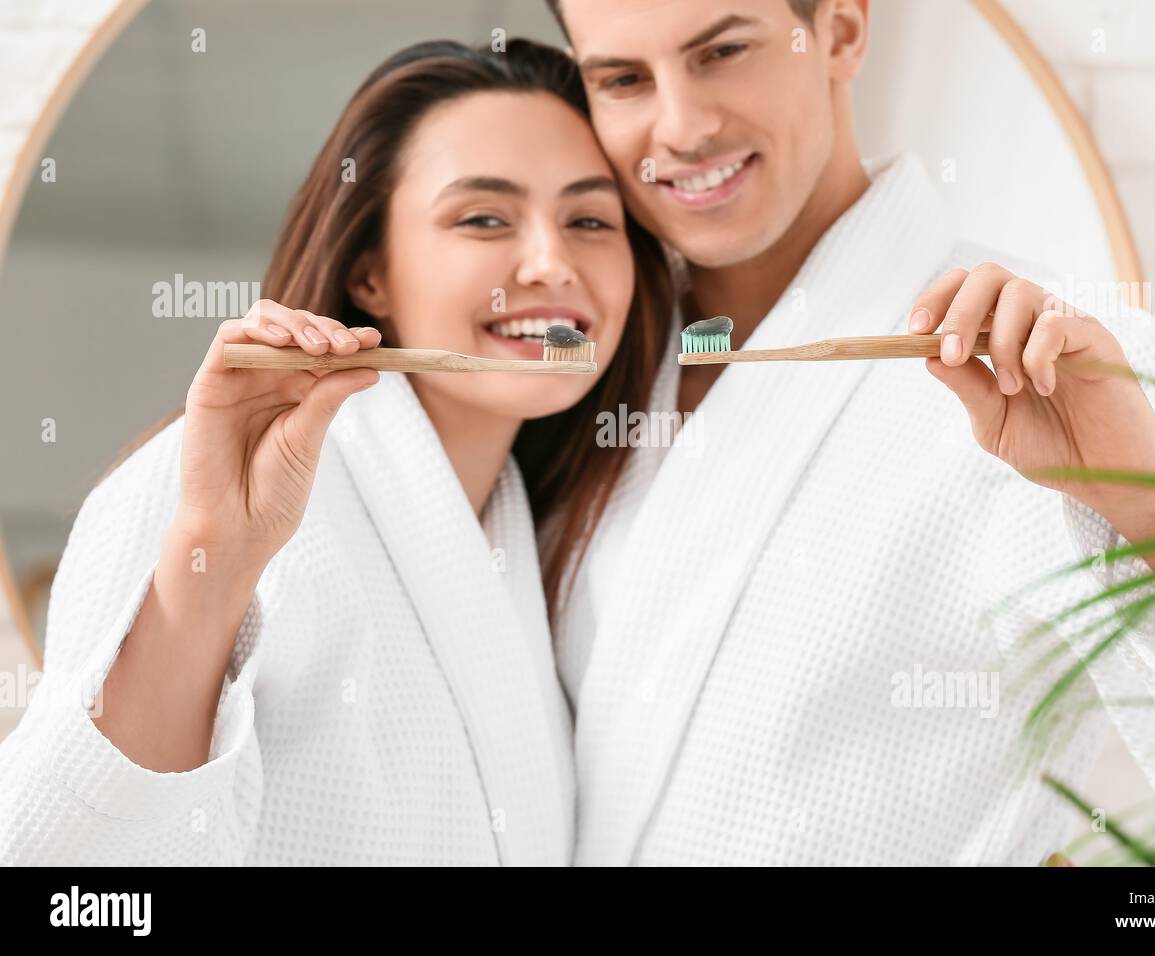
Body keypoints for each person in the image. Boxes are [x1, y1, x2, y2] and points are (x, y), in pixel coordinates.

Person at [543, 0, 1155, 864]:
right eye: (624, 79)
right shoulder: (605, 376)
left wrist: (1144, 497)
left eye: (723, 51)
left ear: (843, 30)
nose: (679, 127)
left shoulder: (1063, 365)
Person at [0, 38, 671, 865]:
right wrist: (213, 555)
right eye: (484, 217)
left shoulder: (527, 549)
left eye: (591, 219)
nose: (551, 261)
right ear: (369, 275)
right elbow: (71, 874)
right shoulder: (208, 487)